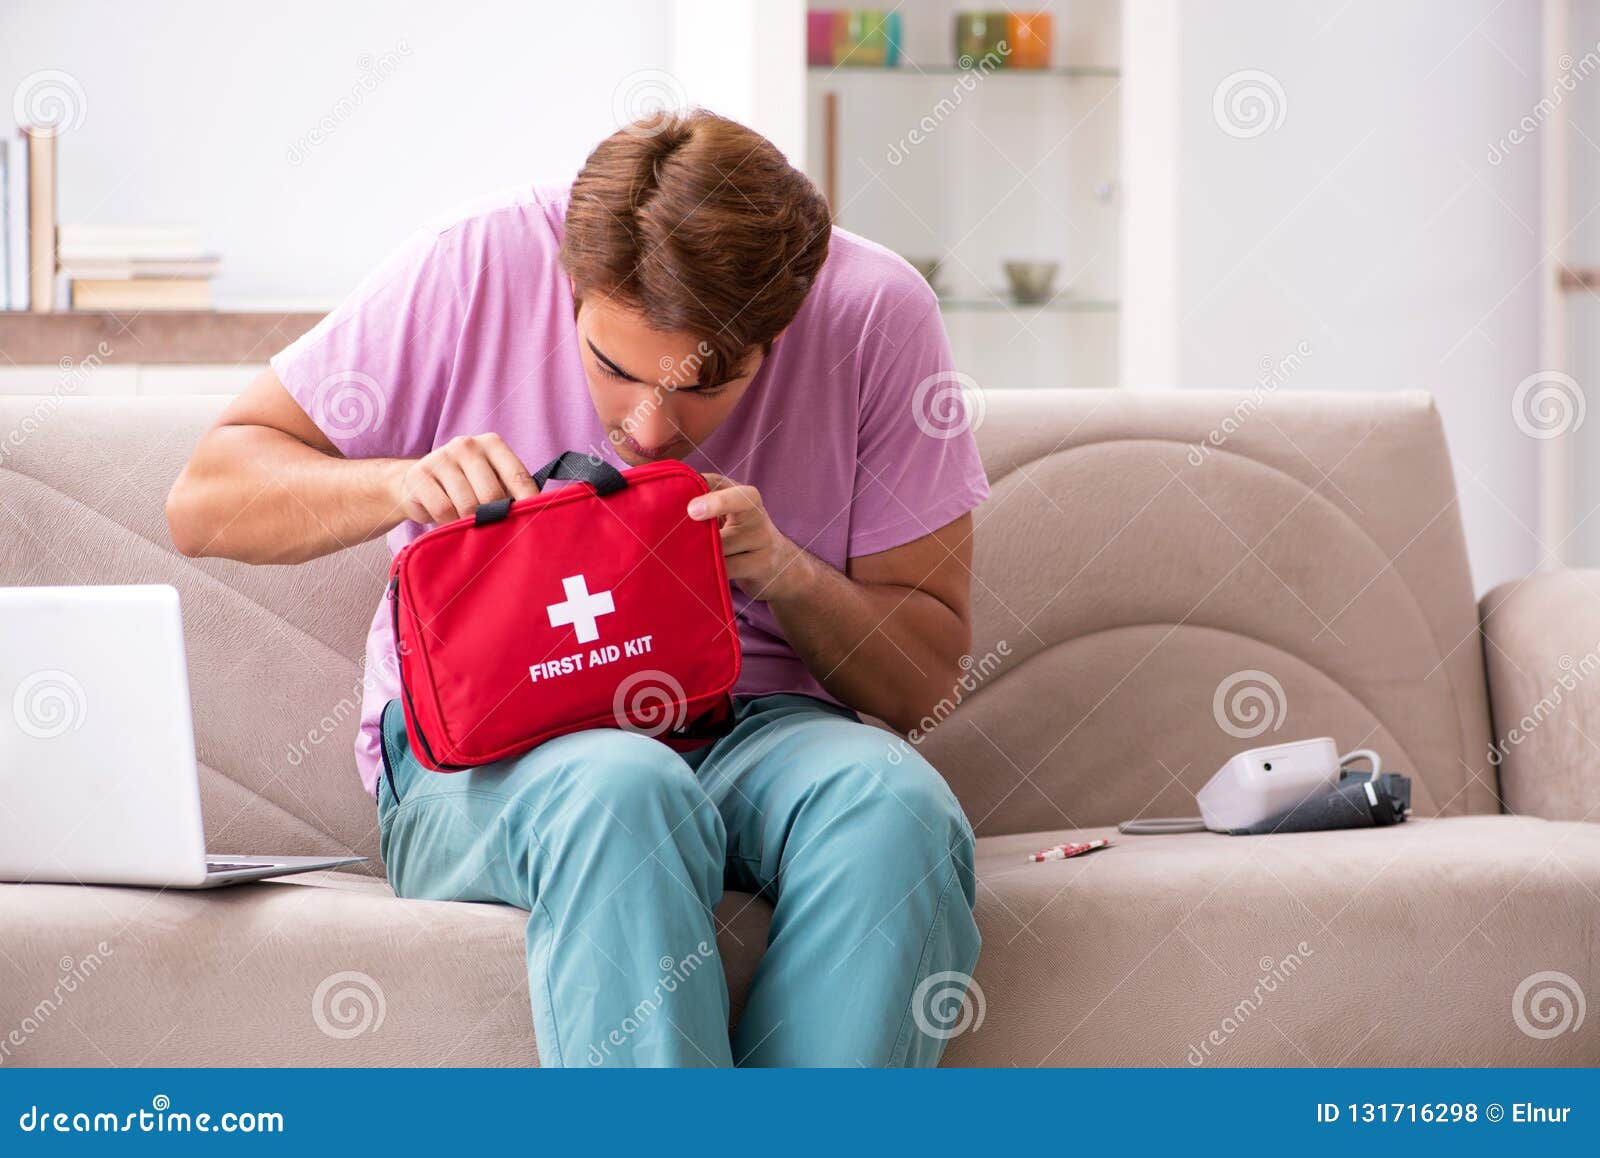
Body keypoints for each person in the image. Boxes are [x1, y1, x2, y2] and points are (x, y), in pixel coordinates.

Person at [166, 108, 987, 1067]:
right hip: (489, 750)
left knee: (895, 809)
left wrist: (787, 573)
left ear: (786, 325)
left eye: (706, 383)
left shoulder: (875, 311)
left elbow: (921, 681)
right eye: (611, 367)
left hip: (761, 727)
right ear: (567, 288)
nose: (645, 428)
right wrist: (396, 481)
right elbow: (204, 499)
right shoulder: (470, 264)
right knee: (622, 787)